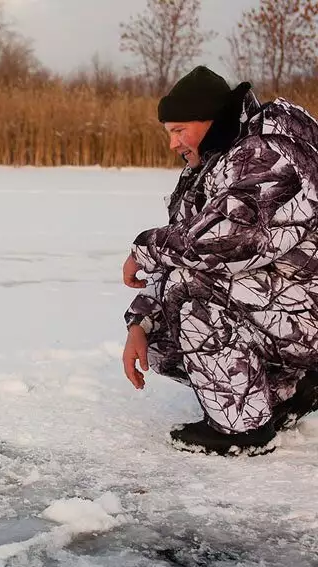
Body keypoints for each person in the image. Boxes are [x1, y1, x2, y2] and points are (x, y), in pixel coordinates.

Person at [122, 65, 318, 456]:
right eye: (169, 133)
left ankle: (242, 429)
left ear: (211, 120)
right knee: (160, 338)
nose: (174, 143)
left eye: (180, 131)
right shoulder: (214, 160)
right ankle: (288, 391)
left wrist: (142, 249)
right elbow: (184, 243)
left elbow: (230, 242)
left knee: (186, 289)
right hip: (282, 301)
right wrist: (140, 321)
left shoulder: (267, 153)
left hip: (306, 304)